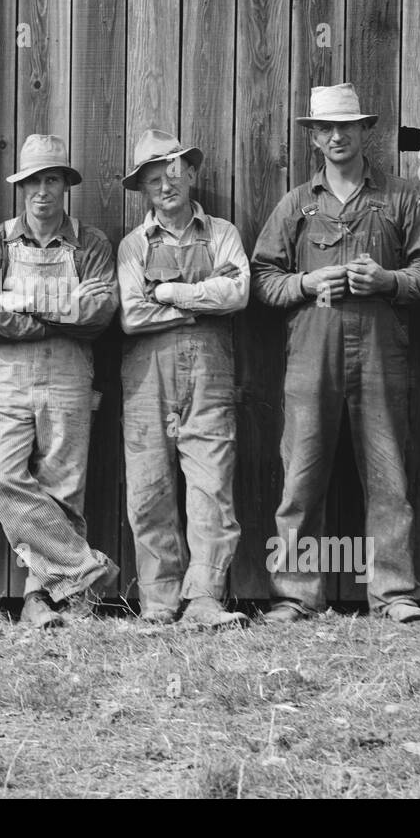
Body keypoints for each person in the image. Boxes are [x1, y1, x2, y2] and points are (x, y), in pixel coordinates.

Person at [252, 83, 420, 624]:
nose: (337, 137)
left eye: (347, 127)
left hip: (382, 356)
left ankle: (394, 592)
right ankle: (294, 594)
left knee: (388, 475)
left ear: (365, 132)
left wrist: (387, 280)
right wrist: (307, 284)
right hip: (312, 353)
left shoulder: (402, 198)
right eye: (326, 129)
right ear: (314, 138)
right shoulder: (296, 203)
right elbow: (263, 279)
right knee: (301, 477)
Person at [0, 135, 120, 629]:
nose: (41, 191)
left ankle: (40, 601)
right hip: (5, 379)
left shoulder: (92, 243)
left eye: (50, 179)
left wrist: (22, 300)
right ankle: (84, 570)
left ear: (65, 186)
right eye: (32, 181)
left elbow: (97, 316)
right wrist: (64, 307)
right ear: (20, 187)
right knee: (4, 476)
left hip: (69, 375)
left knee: (63, 487)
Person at [118, 129, 251, 627]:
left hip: (209, 373)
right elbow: (132, 316)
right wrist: (200, 303)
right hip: (147, 376)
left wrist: (171, 294)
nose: (166, 184)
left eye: (173, 172)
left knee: (211, 483)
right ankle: (158, 601)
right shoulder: (133, 245)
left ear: (190, 174)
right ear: (144, 190)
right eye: (154, 179)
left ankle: (204, 599)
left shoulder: (222, 233)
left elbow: (238, 292)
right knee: (149, 486)